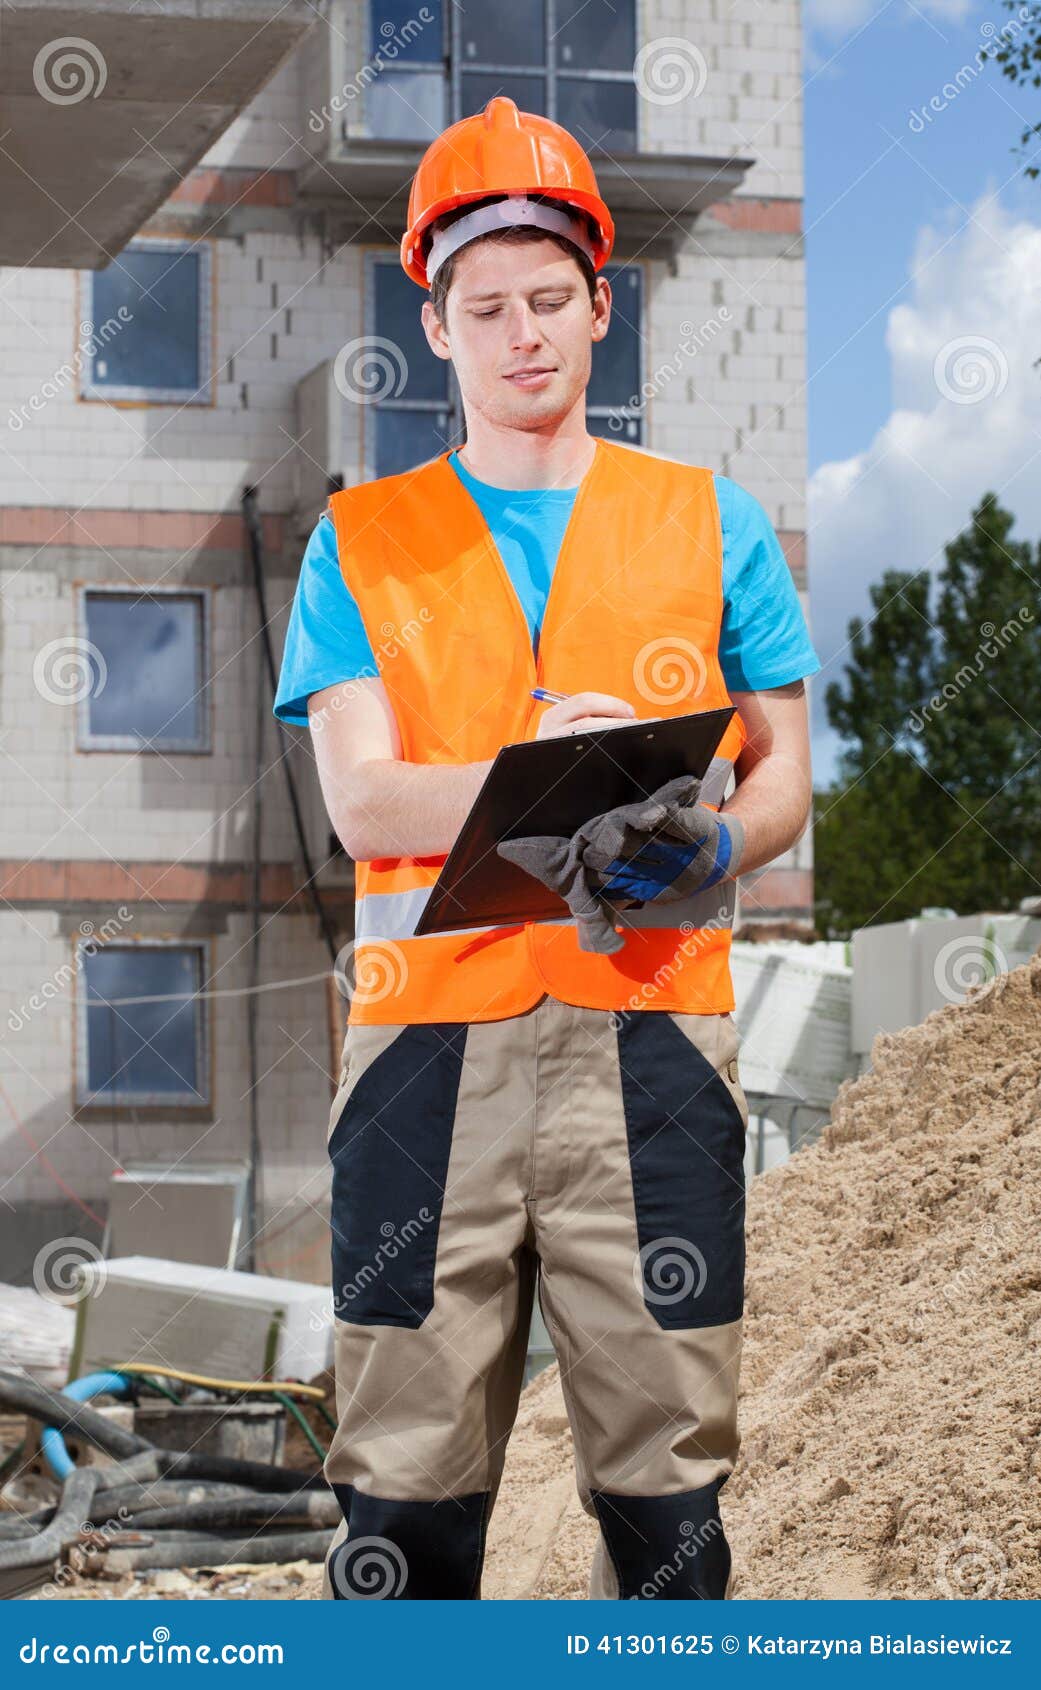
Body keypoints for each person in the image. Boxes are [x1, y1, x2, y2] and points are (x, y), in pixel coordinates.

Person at [273, 95, 820, 1601]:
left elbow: (781, 788)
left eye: (549, 299)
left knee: (670, 1516)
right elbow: (365, 801)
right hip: (420, 1057)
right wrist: (560, 779)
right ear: (434, 323)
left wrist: (697, 850)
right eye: (485, 305)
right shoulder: (361, 539)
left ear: (598, 305)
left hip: (646, 1043)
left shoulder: (711, 524)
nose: (523, 334)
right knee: (400, 1509)